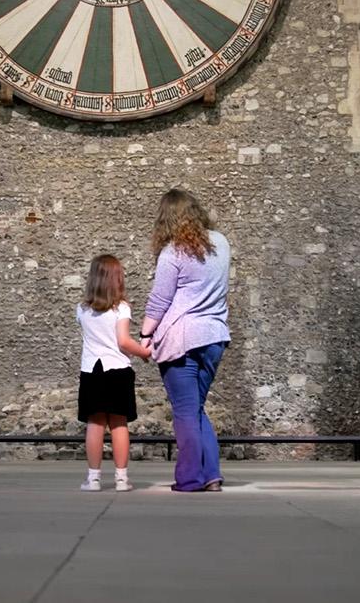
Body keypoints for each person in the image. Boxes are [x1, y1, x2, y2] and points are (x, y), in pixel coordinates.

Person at [140, 189, 231, 492]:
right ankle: (212, 475)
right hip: (215, 337)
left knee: (184, 412)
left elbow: (159, 301)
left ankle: (190, 478)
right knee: (196, 408)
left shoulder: (172, 252)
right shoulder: (221, 243)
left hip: (181, 339)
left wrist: (144, 335)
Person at [77, 254, 151, 492]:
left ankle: (94, 478)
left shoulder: (82, 309)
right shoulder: (122, 308)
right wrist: (144, 352)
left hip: (91, 370)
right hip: (118, 369)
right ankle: (121, 479)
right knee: (119, 424)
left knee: (95, 424)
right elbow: (123, 342)